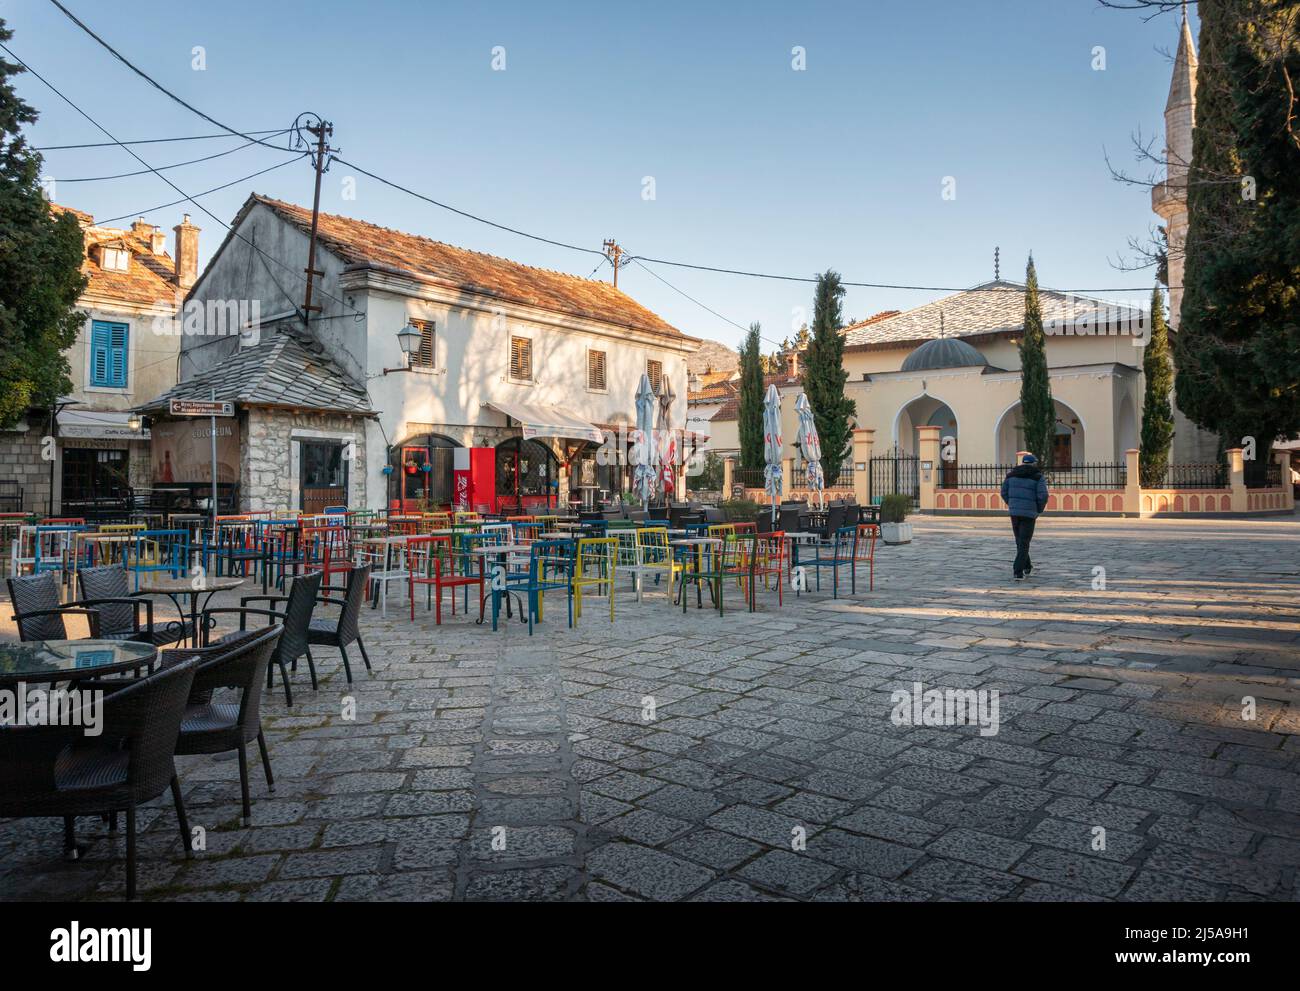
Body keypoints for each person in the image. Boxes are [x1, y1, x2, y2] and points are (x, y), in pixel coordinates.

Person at [1000, 452, 1049, 581]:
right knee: (1024, 541)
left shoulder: (1011, 475)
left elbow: (1004, 492)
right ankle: (1018, 570)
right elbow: (1043, 495)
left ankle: (1027, 566)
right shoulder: (1037, 476)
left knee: (1020, 540)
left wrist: (1011, 504)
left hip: (1014, 513)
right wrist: (1038, 509)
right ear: (1034, 463)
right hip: (1029, 513)